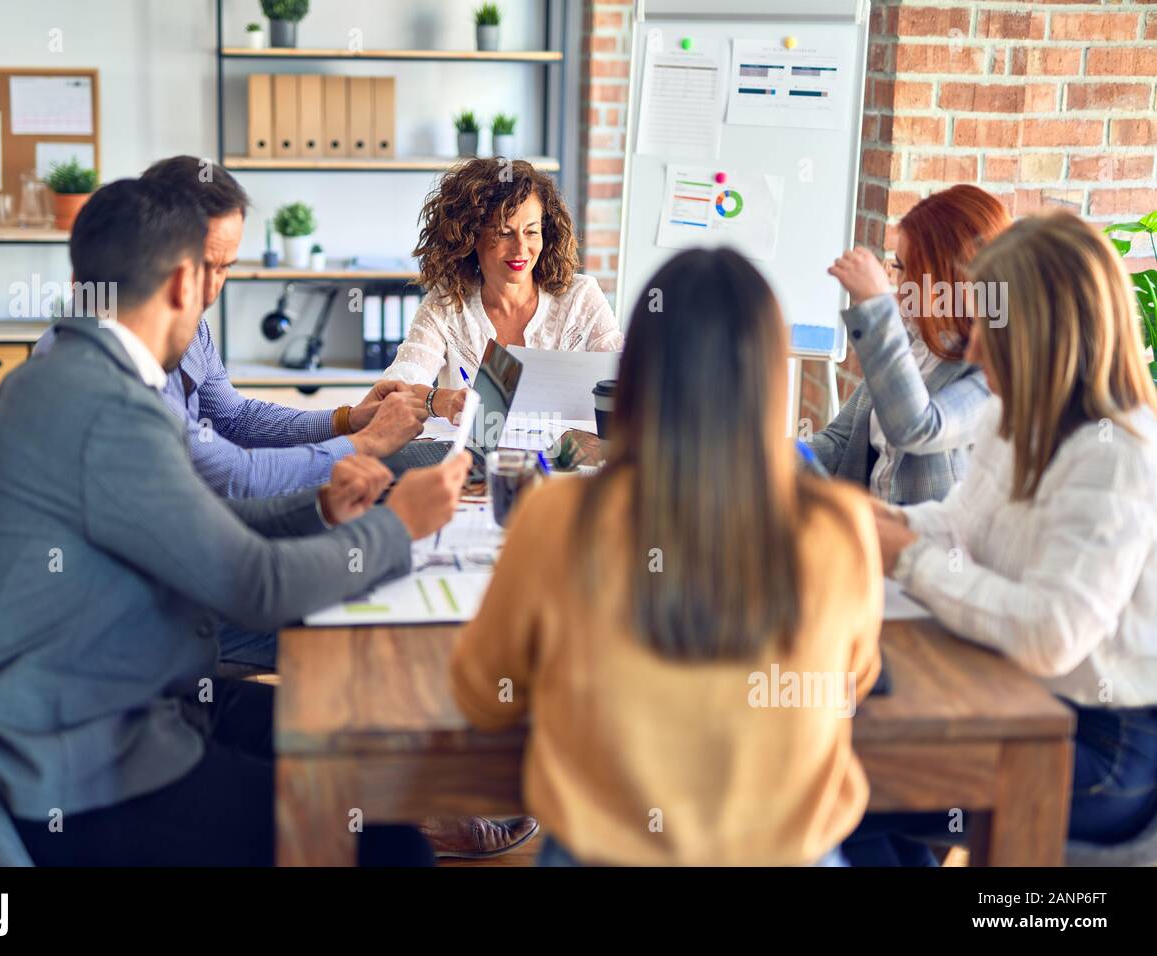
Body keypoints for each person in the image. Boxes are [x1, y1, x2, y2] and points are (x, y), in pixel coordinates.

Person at [0, 177, 474, 865]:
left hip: (117, 701)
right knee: (392, 847)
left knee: (363, 756)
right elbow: (253, 586)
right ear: (184, 281)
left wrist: (316, 506)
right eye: (213, 272)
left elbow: (204, 520)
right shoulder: (111, 407)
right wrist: (397, 525)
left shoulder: (70, 376)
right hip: (92, 772)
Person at [450, 248, 883, 866]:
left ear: (637, 376)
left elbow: (482, 697)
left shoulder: (554, 520)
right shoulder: (840, 527)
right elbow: (854, 682)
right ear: (769, 376)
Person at [858, 211, 1157, 865]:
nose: (969, 349)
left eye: (988, 330)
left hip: (1104, 746)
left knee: (849, 790)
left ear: (1041, 336)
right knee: (848, 768)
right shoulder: (1011, 414)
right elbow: (960, 526)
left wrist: (905, 557)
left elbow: (1052, 633)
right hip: (1013, 697)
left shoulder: (1119, 453)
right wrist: (883, 523)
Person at [33, 156, 427, 500]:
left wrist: (348, 421)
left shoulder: (189, 326)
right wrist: (364, 445)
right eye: (203, 265)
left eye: (225, 268)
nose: (210, 288)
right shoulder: (109, 363)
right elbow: (232, 476)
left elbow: (234, 418)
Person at [809, 184, 1009, 504]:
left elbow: (918, 428)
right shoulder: (915, 338)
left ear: (949, 275)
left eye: (904, 270)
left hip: (935, 546)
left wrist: (877, 309)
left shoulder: (1000, 368)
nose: (898, 285)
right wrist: (767, 457)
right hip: (876, 531)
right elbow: (841, 439)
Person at [382, 158, 623, 421]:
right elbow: (393, 389)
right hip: (474, 460)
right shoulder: (447, 303)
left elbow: (627, 382)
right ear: (471, 237)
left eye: (531, 232)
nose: (521, 249)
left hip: (565, 460)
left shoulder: (581, 297)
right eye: (504, 233)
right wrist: (439, 399)